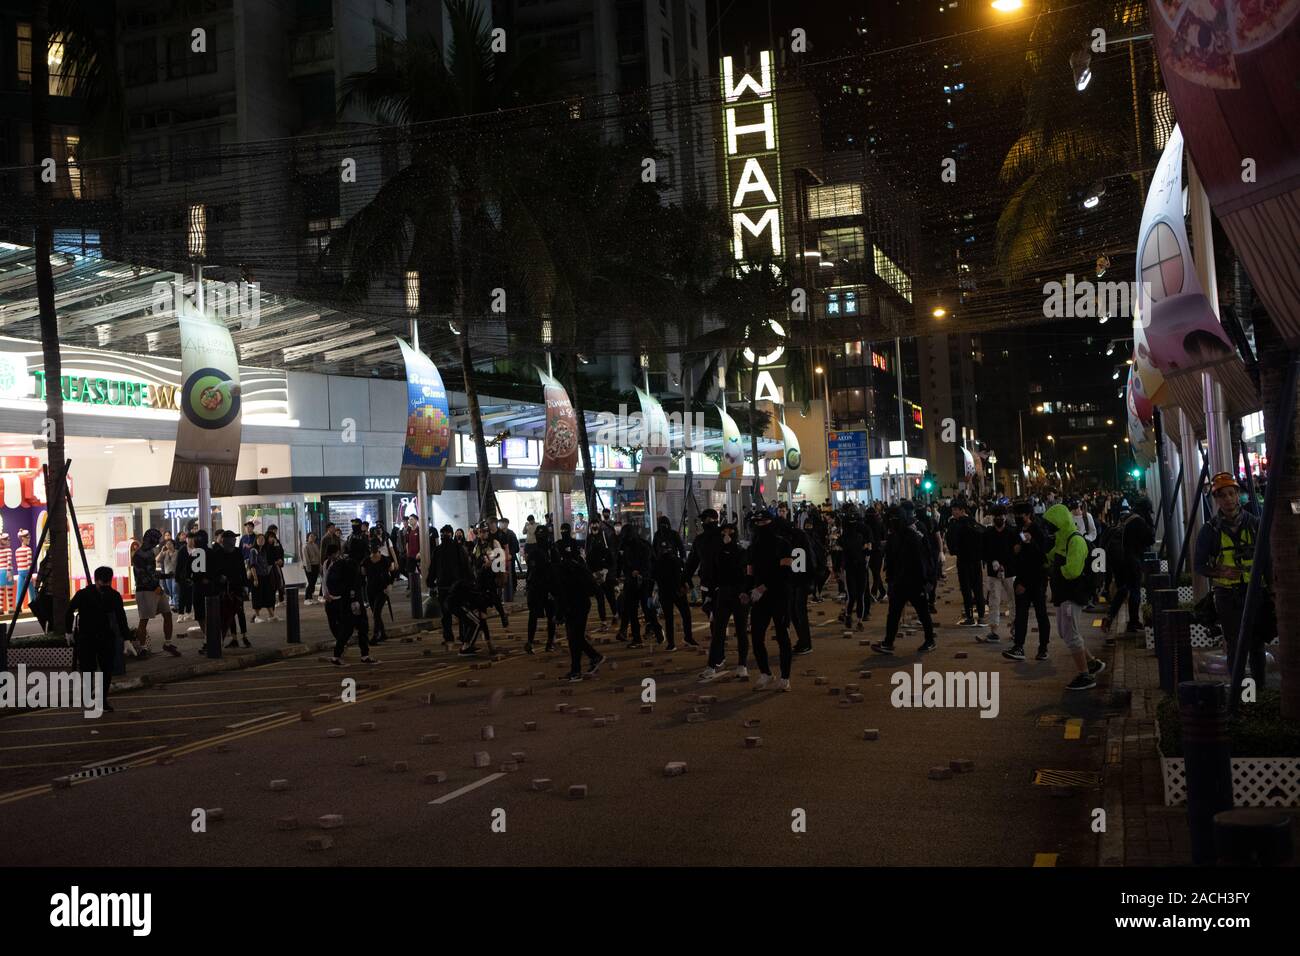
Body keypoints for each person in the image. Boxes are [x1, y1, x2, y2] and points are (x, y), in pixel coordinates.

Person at [1195, 472, 1271, 688]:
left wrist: (1272, 590)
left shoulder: (1255, 524)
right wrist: (1221, 573)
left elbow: (1267, 560)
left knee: (1256, 644)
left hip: (1254, 593)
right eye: (1222, 495)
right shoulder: (1210, 530)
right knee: (1235, 645)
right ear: (1216, 499)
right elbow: (1199, 565)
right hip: (1227, 596)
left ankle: (1258, 693)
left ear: (1238, 495)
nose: (1228, 499)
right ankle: (1240, 694)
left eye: (1231, 493)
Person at [1043, 503, 1106, 691]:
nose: (1049, 528)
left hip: (1073, 594)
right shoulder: (1062, 539)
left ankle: (1085, 675)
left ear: (1060, 522)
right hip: (1063, 595)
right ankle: (1092, 663)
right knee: (1065, 632)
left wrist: (1054, 571)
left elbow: (1073, 571)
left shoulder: (1075, 541)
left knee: (1071, 634)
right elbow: (1050, 557)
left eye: (1051, 524)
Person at [870, 504, 938, 655]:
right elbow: (891, 560)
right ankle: (888, 643)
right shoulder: (894, 536)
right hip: (899, 582)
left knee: (922, 612)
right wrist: (891, 578)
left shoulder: (912, 536)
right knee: (894, 613)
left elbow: (922, 560)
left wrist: (926, 581)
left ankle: (930, 640)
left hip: (915, 581)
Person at [67, 566, 130, 713]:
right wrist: (68, 631)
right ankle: (89, 694)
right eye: (103, 582)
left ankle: (102, 699)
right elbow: (69, 610)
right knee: (87, 668)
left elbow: (121, 617)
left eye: (108, 582)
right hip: (87, 637)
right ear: (96, 580)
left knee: (106, 670)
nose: (106, 586)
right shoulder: (84, 594)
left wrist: (126, 638)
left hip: (105, 637)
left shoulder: (113, 595)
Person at [746, 508, 793, 691]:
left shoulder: (783, 544)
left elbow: (784, 572)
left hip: (779, 596)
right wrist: (746, 591)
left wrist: (764, 586)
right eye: (757, 523)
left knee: (782, 636)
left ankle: (785, 677)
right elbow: (750, 572)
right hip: (759, 598)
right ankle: (765, 673)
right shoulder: (753, 547)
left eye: (764, 522)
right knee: (757, 636)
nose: (760, 526)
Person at [699, 521, 750, 682]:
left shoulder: (741, 551)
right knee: (718, 631)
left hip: (739, 594)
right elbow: (713, 574)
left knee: (741, 630)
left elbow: (741, 571)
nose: (727, 535)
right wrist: (709, 595)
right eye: (724, 533)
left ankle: (742, 665)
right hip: (722, 593)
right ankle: (711, 666)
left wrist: (747, 592)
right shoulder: (718, 552)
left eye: (730, 532)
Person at [1002, 500, 1052, 662]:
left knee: (1041, 614)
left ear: (1029, 515)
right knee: (1021, 615)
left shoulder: (1037, 530)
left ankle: (1043, 648)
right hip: (1021, 579)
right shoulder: (1017, 531)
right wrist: (1014, 551)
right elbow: (1013, 556)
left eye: (1020, 514)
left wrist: (1030, 543)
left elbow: (1040, 558)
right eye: (1015, 514)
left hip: (1036, 580)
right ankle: (1018, 647)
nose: (1017, 517)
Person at [550, 542, 605, 681]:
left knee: (575, 638)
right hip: (580, 605)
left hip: (575, 606)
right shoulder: (577, 564)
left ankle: (578, 669)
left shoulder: (561, 569)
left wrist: (559, 614)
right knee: (575, 637)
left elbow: (561, 594)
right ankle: (591, 659)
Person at [323, 541, 379, 666]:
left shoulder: (341, 564)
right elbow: (355, 583)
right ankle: (360, 655)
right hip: (353, 601)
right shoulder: (352, 564)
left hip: (346, 600)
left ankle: (344, 655)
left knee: (350, 629)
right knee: (358, 628)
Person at [1101, 500, 1152, 635]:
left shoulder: (1124, 518)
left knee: (1123, 589)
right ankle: (1133, 622)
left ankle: (1110, 616)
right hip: (1132, 561)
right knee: (1134, 590)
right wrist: (1149, 521)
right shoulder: (1139, 521)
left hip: (1118, 561)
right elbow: (1150, 539)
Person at [132, 529, 180, 657]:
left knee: (167, 614)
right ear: (150, 539)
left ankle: (168, 643)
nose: (157, 543)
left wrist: (166, 576)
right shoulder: (139, 555)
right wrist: (155, 586)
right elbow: (142, 576)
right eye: (156, 540)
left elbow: (152, 573)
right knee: (144, 620)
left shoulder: (150, 552)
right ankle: (142, 649)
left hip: (155, 589)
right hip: (145, 590)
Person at [616, 522, 662, 647]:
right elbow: (622, 563)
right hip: (634, 581)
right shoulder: (628, 545)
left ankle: (655, 632)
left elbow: (650, 562)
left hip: (643, 581)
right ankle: (640, 638)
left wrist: (640, 572)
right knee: (635, 610)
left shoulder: (640, 545)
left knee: (644, 609)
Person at [652, 515, 694, 650]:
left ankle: (678, 641)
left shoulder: (670, 560)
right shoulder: (668, 561)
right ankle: (675, 641)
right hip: (671, 590)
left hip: (672, 589)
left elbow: (682, 571)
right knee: (676, 615)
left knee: (678, 615)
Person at [429, 525, 472, 648]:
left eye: (446, 534)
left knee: (455, 613)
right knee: (449, 614)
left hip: (455, 586)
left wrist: (468, 581)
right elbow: (433, 568)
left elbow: (465, 566)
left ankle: (459, 637)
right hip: (446, 586)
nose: (444, 536)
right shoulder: (440, 550)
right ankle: (452, 637)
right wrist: (431, 582)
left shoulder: (456, 549)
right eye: (443, 534)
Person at [945, 499, 986, 627]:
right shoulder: (974, 523)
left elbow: (951, 542)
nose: (953, 512)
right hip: (976, 561)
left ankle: (970, 617)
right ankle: (981, 617)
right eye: (952, 510)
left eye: (955, 510)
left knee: (966, 589)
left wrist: (955, 550)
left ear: (962, 510)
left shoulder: (956, 525)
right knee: (978, 588)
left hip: (963, 560)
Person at [981, 504, 1017, 644]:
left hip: (1010, 571)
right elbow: (984, 551)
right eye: (996, 517)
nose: (999, 519)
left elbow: (1015, 552)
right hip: (993, 571)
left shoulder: (1012, 532)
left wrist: (1004, 565)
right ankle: (994, 631)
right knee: (994, 600)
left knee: (1013, 600)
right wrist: (992, 562)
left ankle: (1015, 628)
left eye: (1001, 516)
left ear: (1005, 517)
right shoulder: (988, 533)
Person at [210, 530, 251, 650]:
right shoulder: (218, 553)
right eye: (233, 538)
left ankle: (244, 636)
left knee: (240, 611)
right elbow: (215, 570)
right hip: (225, 588)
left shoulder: (237, 552)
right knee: (229, 613)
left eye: (234, 539)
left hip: (237, 586)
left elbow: (242, 569)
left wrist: (245, 585)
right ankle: (234, 638)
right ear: (226, 541)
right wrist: (220, 578)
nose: (235, 540)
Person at [524, 526, 558, 653]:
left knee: (549, 615)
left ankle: (547, 642)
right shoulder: (537, 551)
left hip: (545, 587)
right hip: (538, 587)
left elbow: (556, 568)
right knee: (536, 615)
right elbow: (531, 570)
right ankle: (532, 642)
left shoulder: (551, 550)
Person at [586, 517, 619, 628]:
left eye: (596, 524)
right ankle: (603, 621)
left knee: (610, 597)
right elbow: (588, 558)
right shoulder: (589, 539)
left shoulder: (605, 537)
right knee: (600, 598)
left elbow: (610, 557)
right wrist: (593, 573)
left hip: (606, 573)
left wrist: (606, 571)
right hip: (596, 574)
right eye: (592, 524)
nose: (594, 526)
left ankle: (615, 615)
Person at [363, 541, 395, 643]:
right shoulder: (366, 561)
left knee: (376, 612)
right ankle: (383, 633)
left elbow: (392, 571)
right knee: (375, 613)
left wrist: (390, 584)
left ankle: (376, 635)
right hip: (371, 589)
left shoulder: (385, 560)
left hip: (383, 589)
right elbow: (363, 573)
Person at [248, 533, 277, 623]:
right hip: (257, 576)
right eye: (259, 539)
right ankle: (257, 617)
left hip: (265, 576)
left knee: (268, 595)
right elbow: (252, 565)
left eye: (263, 539)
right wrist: (255, 579)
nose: (261, 540)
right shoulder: (253, 551)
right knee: (257, 596)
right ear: (256, 540)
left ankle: (271, 615)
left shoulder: (264, 551)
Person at [303, 531, 322, 605]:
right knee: (310, 582)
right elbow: (306, 558)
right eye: (311, 536)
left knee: (313, 582)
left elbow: (319, 556)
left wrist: (320, 565)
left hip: (316, 565)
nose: (313, 537)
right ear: (308, 537)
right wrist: (308, 568)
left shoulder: (315, 545)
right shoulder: (305, 546)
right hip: (309, 566)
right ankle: (306, 598)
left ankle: (310, 598)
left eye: (314, 536)